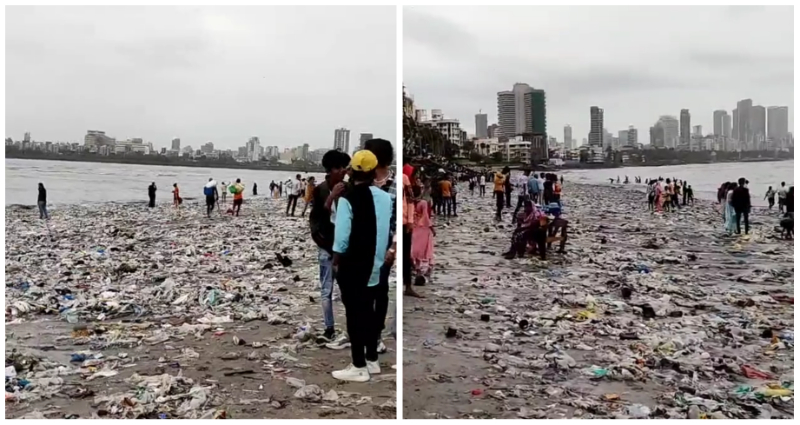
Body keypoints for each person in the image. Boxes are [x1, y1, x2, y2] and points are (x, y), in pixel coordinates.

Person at [331, 150, 392, 382]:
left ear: (351, 170)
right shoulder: (385, 198)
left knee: (355, 314)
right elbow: (384, 229)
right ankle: (372, 359)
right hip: (376, 263)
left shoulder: (348, 198)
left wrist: (336, 261)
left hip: (354, 264)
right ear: (374, 171)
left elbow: (342, 237)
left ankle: (358, 366)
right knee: (369, 311)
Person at [310, 150, 350, 342]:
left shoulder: (350, 189)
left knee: (347, 291)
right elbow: (317, 218)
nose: (342, 171)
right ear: (330, 169)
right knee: (326, 290)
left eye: (344, 167)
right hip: (327, 246)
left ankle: (352, 328)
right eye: (339, 168)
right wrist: (331, 197)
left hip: (345, 249)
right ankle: (329, 328)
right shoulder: (321, 190)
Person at [364, 137, 396, 355]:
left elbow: (397, 221)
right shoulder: (361, 181)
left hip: (384, 244)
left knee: (380, 289)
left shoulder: (394, 186)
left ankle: (376, 334)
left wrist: (392, 249)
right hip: (362, 244)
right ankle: (365, 332)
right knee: (363, 290)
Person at [411, 186, 434, 277]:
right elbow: (425, 216)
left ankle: (417, 268)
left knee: (415, 249)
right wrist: (432, 228)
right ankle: (429, 266)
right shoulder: (423, 202)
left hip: (413, 226)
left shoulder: (411, 202)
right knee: (426, 248)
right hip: (423, 227)